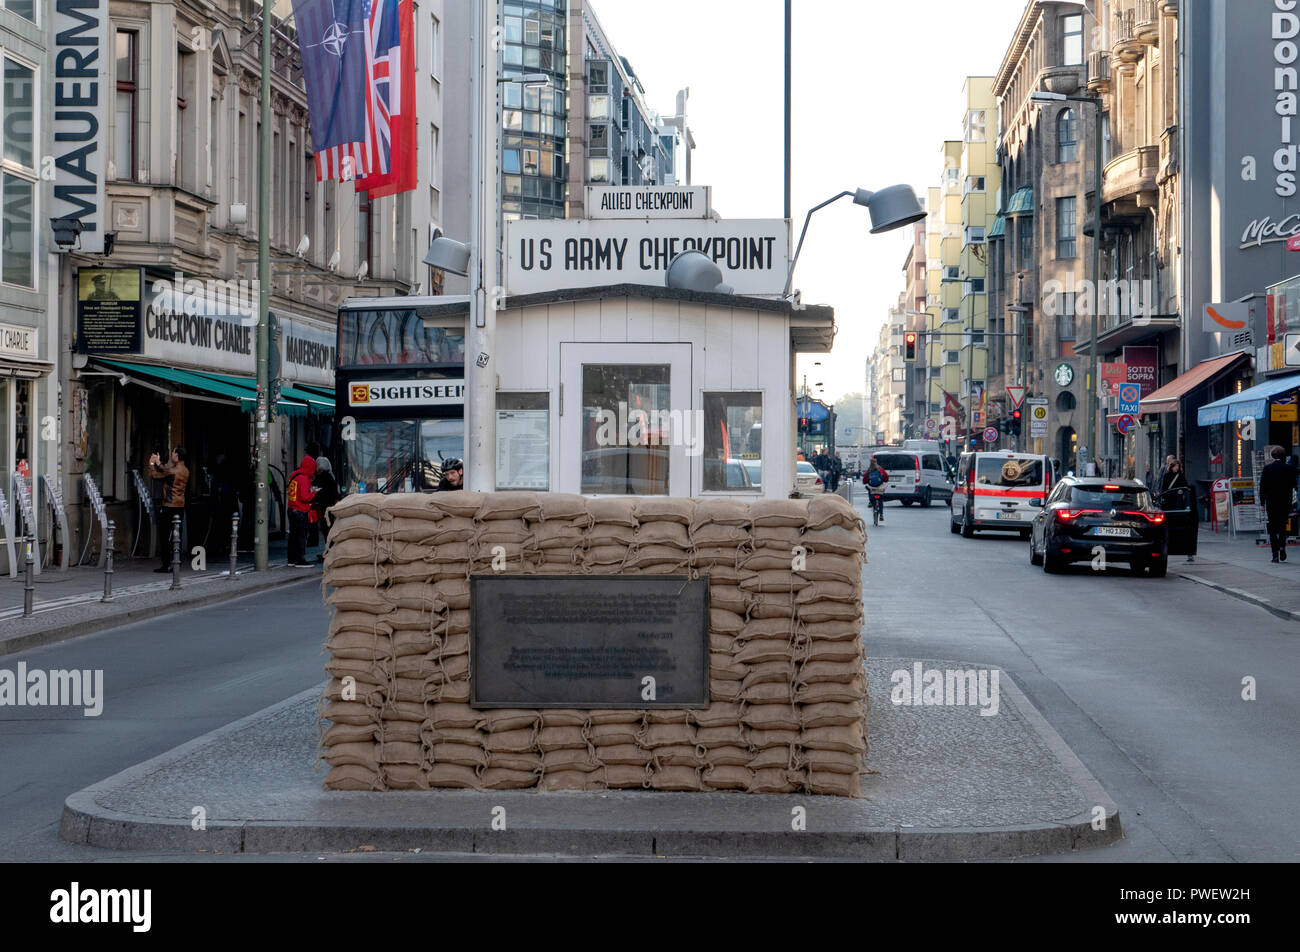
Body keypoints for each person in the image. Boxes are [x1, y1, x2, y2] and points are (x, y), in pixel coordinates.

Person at [148, 446, 189, 573]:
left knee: (165, 536)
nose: (171, 454)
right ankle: (177, 562)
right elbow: (167, 469)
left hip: (169, 506)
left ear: (176, 455)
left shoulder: (173, 471)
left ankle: (166, 564)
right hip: (180, 506)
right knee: (177, 535)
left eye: (173, 452)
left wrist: (152, 463)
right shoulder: (185, 470)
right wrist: (159, 463)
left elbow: (154, 475)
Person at [1259, 446, 1296, 563]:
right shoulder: (1289, 468)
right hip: (1285, 502)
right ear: (1283, 456)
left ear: (1273, 456)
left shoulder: (1267, 468)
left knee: (1272, 528)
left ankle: (1275, 555)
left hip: (1271, 502)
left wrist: (1262, 503)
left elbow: (1262, 487)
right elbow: (1294, 485)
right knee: (1282, 527)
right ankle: (1282, 547)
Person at [286, 453, 317, 567]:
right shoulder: (304, 478)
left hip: (291, 509)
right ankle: (300, 560)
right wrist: (314, 493)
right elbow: (305, 497)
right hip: (300, 510)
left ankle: (291, 559)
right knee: (301, 536)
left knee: (293, 536)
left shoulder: (294, 475)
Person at [312, 456, 341, 563]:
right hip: (326, 507)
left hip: (326, 508)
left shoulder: (324, 477)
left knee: (327, 530)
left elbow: (324, 492)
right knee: (328, 530)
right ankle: (329, 551)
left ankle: (330, 551)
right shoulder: (330, 477)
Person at [864, 458, 888, 523]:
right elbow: (886, 477)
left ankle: (871, 502)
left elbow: (864, 480)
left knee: (868, 489)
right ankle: (881, 515)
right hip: (879, 488)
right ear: (876, 462)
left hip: (872, 488)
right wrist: (883, 481)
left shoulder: (869, 470)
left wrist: (866, 482)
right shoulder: (880, 469)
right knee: (880, 500)